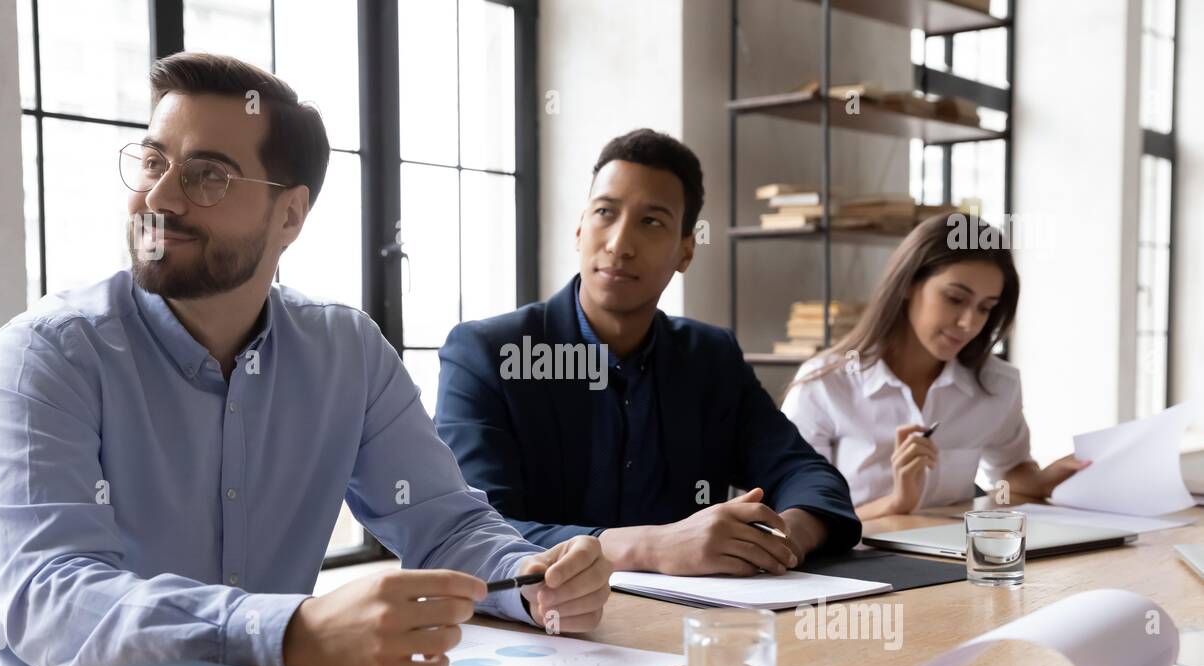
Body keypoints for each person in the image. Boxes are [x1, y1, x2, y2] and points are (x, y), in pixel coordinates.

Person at [0, 53, 611, 666]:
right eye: (152, 162)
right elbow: (47, 598)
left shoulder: (346, 351)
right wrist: (292, 631)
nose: (158, 197)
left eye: (208, 177)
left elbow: (443, 525)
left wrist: (529, 579)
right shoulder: (44, 354)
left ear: (289, 216)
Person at [435, 128, 860, 577]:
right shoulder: (488, 354)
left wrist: (781, 537)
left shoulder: (710, 357)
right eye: (605, 213)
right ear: (580, 229)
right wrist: (651, 547)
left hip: (684, 620)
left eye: (651, 221)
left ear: (686, 251)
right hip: (536, 623)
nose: (620, 243)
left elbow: (809, 477)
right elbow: (475, 531)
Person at [781, 215, 1089, 520]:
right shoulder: (825, 384)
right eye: (955, 299)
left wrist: (1043, 481)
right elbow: (798, 519)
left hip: (955, 560)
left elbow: (1010, 470)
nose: (969, 323)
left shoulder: (997, 385)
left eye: (985, 308)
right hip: (850, 563)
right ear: (908, 284)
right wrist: (896, 503)